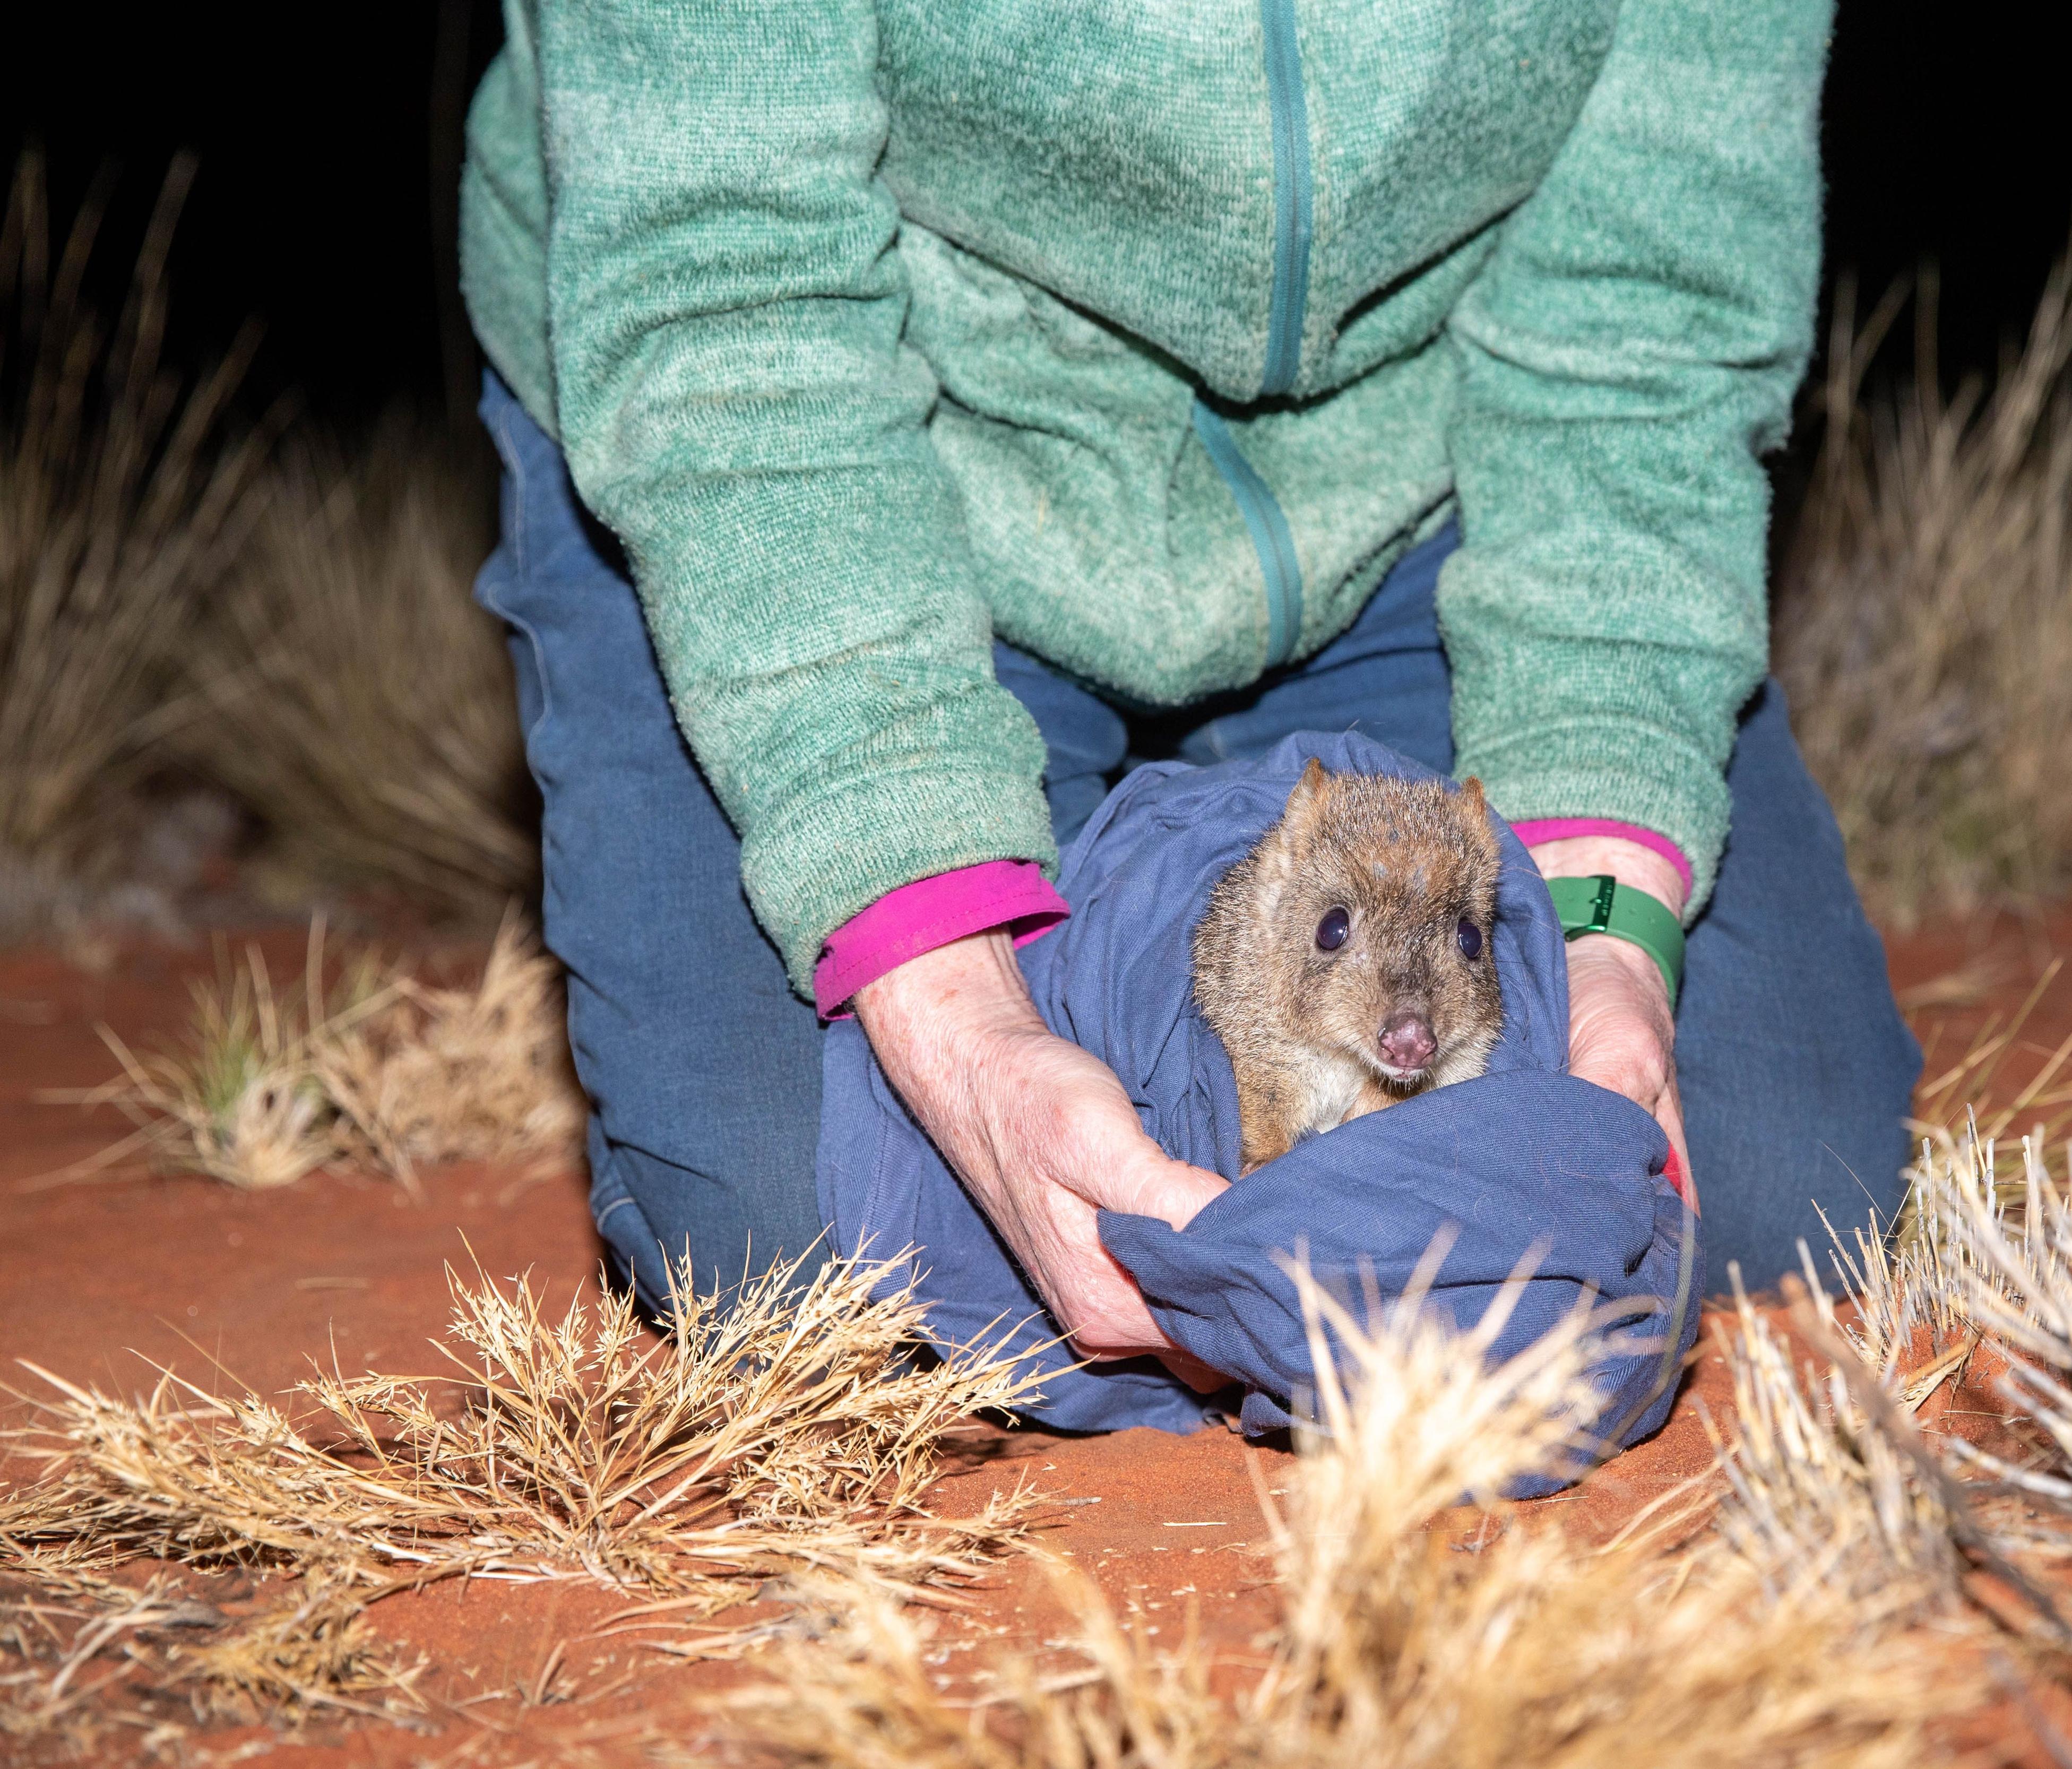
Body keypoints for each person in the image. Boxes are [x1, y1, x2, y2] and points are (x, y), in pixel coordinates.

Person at [458, 0, 1919, 1376]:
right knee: (813, 1245)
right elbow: (729, 283)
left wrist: (1605, 922)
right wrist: (960, 1014)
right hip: (844, 470)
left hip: (1426, 469)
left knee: (1768, 1182)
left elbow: (1647, 315)